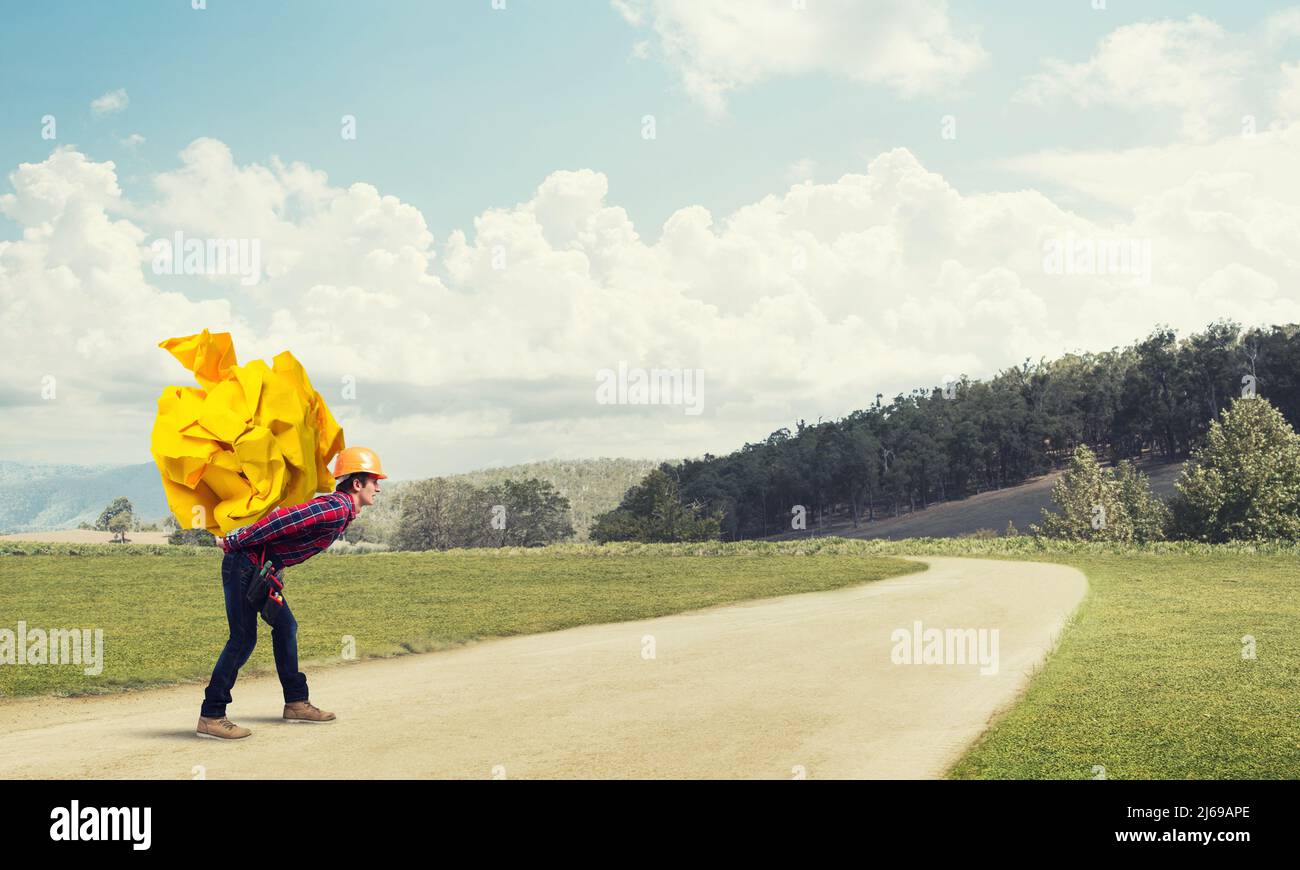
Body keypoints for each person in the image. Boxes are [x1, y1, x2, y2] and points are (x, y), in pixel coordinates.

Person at [196, 446, 387, 740]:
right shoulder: (335, 507)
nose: (378, 486)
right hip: (244, 563)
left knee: (286, 626)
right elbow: (282, 520)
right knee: (243, 638)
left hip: (260, 569)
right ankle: (211, 715)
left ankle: (296, 703)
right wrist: (235, 540)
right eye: (374, 480)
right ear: (357, 484)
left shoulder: (343, 511)